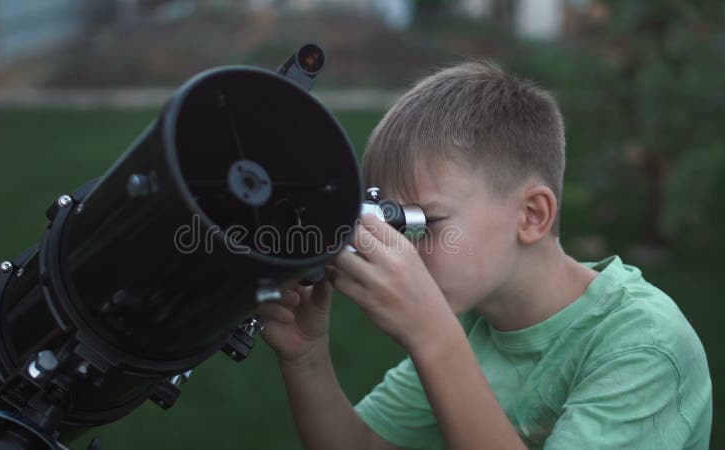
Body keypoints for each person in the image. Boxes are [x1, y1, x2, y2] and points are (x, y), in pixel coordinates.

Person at [255, 61, 712, 449]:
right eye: (395, 223)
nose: (402, 251)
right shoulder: (478, 326)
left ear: (532, 215)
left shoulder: (644, 346)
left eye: (422, 224)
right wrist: (307, 356)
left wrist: (432, 336)